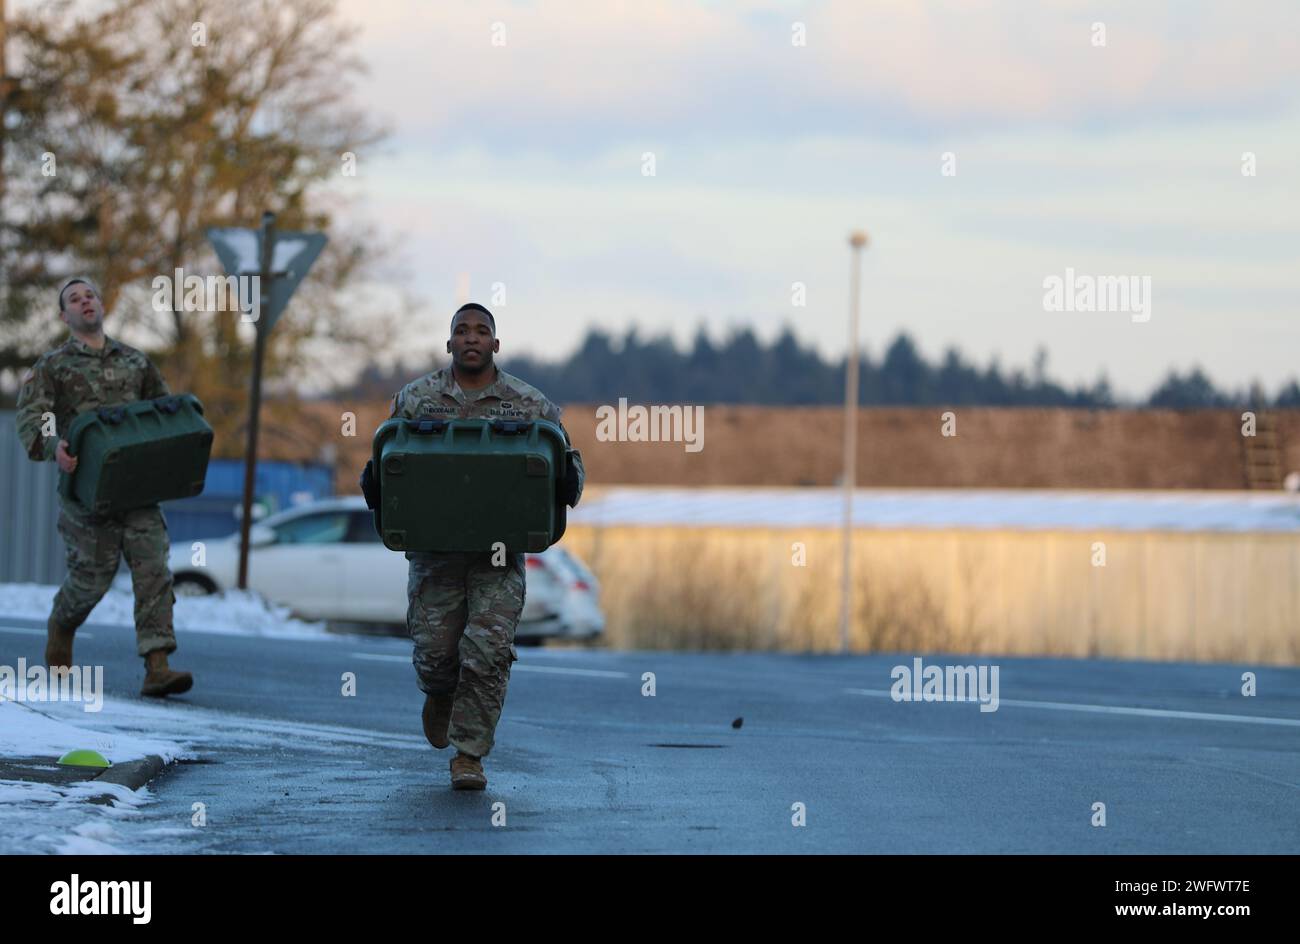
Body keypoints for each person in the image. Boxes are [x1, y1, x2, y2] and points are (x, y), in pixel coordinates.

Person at [382, 302, 583, 790]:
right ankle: (438, 692)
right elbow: (387, 465)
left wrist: (562, 485)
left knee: (488, 652)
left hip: (499, 554)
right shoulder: (415, 399)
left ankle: (469, 756)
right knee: (436, 655)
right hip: (435, 554)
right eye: (461, 331)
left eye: (482, 331)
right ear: (449, 343)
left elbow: (568, 467)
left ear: (495, 343)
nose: (471, 338)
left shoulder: (530, 403)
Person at [14, 277, 193, 697]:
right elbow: (33, 416)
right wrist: (53, 444)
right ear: (65, 316)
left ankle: (157, 665)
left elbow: (162, 409)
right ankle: (62, 625)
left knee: (153, 571)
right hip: (87, 492)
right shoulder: (53, 366)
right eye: (74, 299)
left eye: (90, 294)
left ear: (100, 304)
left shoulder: (136, 361)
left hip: (137, 488)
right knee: (91, 581)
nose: (85, 302)